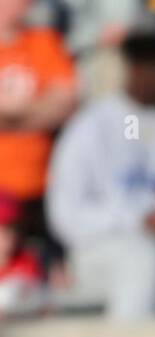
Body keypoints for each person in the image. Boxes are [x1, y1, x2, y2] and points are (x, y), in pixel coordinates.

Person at [46, 23, 155, 317]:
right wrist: (139, 221)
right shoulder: (92, 125)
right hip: (104, 251)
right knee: (143, 256)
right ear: (132, 66)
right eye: (151, 63)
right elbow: (65, 216)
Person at [0, 0, 76, 219]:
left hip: (39, 188)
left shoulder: (43, 41)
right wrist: (34, 109)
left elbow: (64, 103)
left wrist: (10, 115)